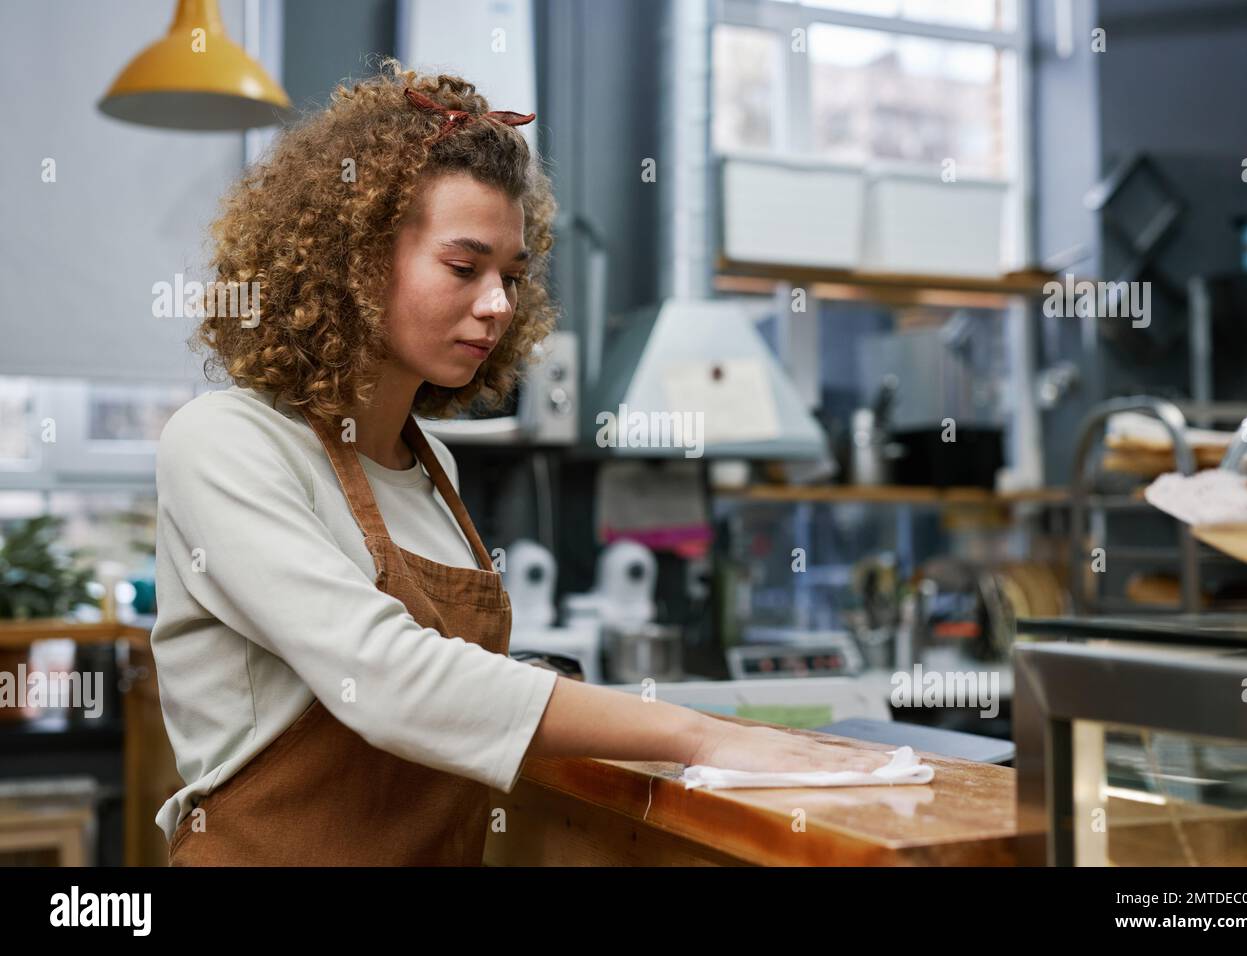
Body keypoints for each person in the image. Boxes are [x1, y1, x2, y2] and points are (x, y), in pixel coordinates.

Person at [152, 60, 888, 866]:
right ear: (353, 260)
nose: (500, 304)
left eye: (511, 275)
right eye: (465, 268)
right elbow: (390, 680)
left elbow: (457, 694)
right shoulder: (224, 443)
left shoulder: (431, 463)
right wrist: (697, 733)